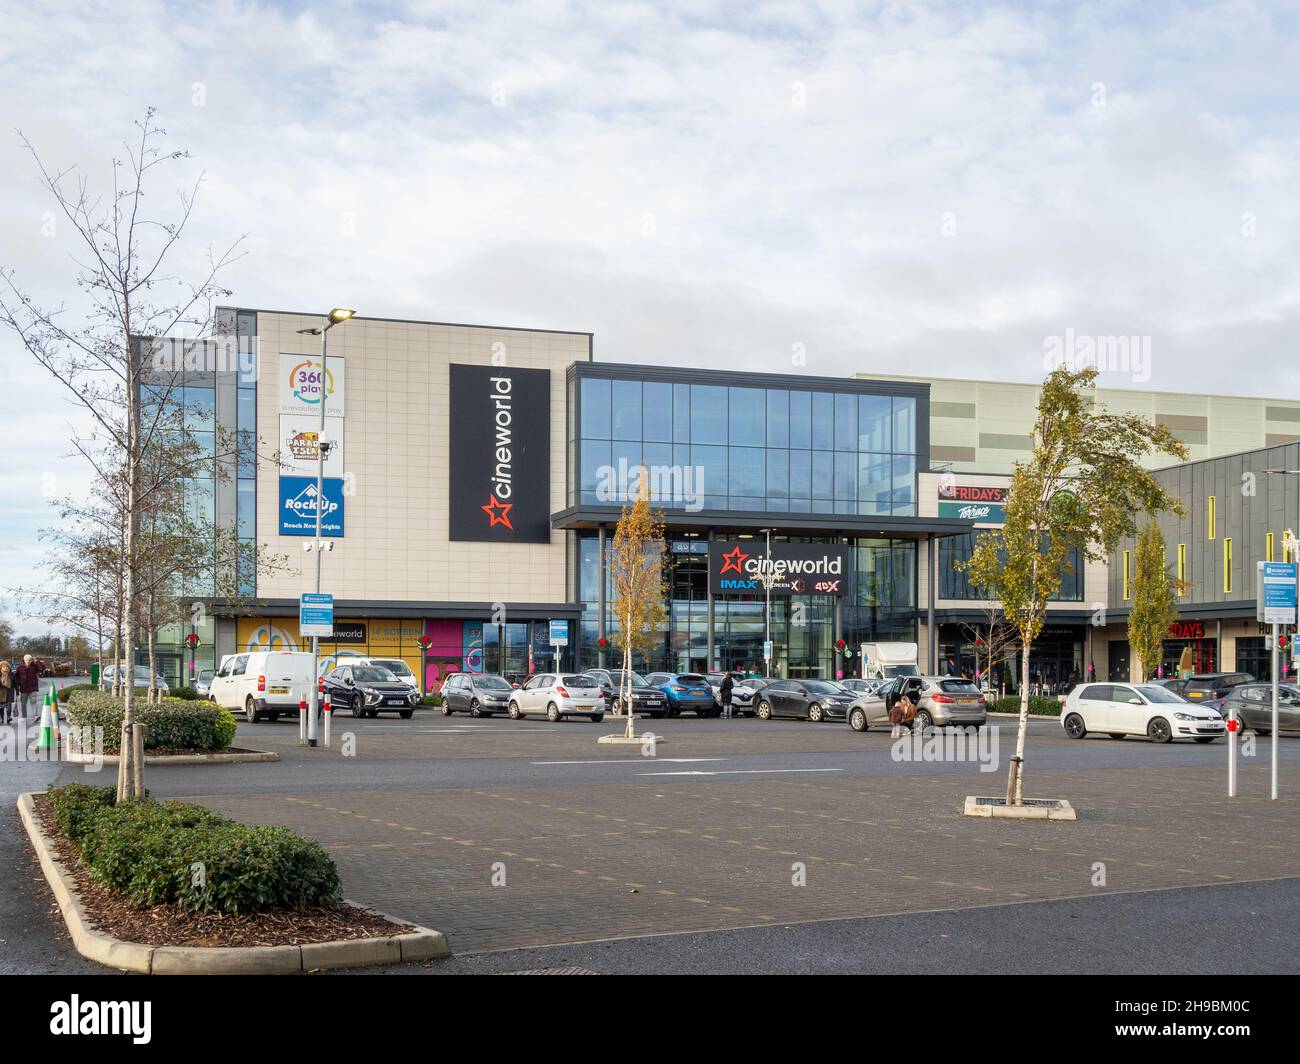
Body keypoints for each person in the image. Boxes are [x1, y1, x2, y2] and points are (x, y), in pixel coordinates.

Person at [15, 654, 44, 723]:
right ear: (24, 660)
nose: (28, 661)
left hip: (32, 688)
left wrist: (37, 661)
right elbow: (16, 676)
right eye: (27, 660)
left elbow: (42, 668)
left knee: (33, 702)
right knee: (23, 704)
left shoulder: (34, 666)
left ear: (31, 660)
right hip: (23, 688)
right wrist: (18, 684)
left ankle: (35, 716)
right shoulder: (20, 667)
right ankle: (24, 717)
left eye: (30, 660)